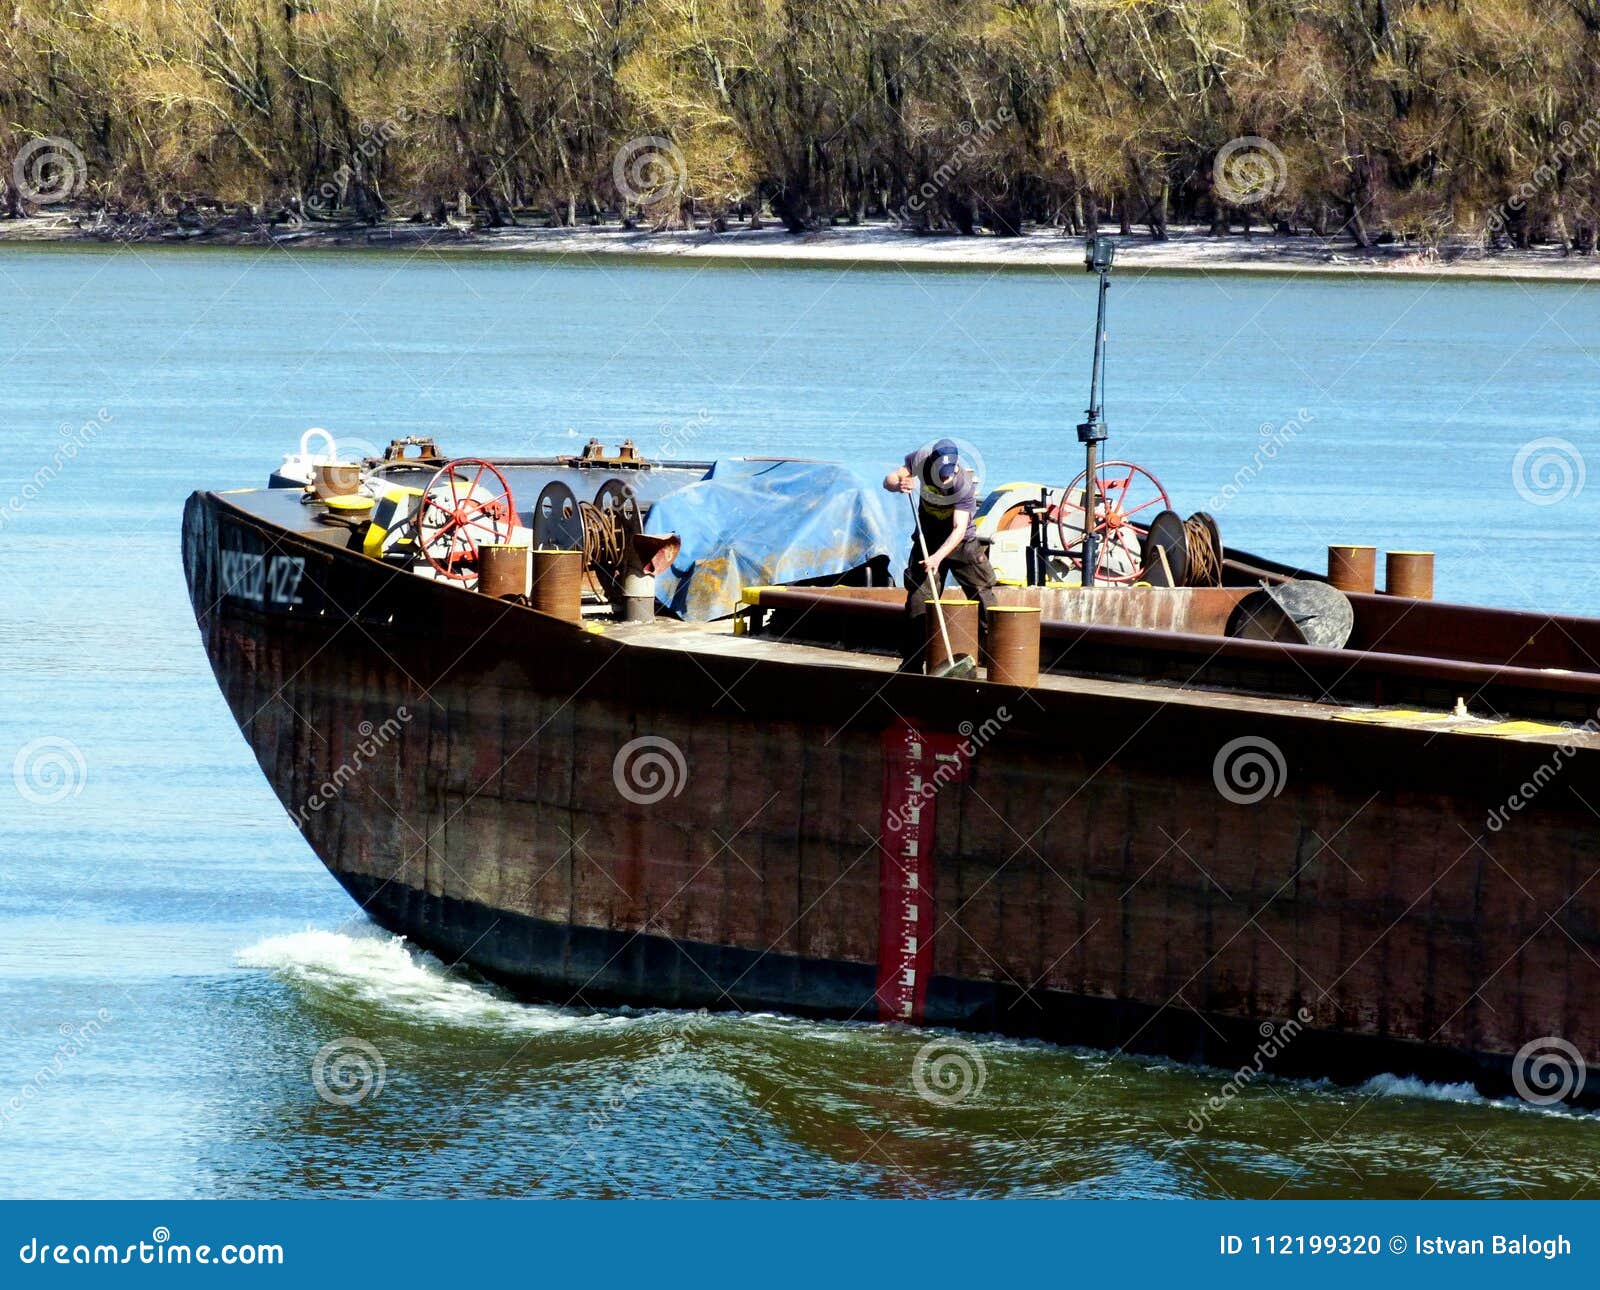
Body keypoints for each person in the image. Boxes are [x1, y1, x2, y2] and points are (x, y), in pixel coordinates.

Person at [883, 438, 998, 670]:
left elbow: (958, 529)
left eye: (948, 473)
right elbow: (889, 480)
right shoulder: (920, 459)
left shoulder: (963, 485)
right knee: (919, 598)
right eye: (940, 474)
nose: (945, 478)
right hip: (928, 538)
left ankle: (994, 659)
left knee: (983, 596)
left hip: (961, 544)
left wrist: (938, 557)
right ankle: (913, 663)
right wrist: (899, 484)